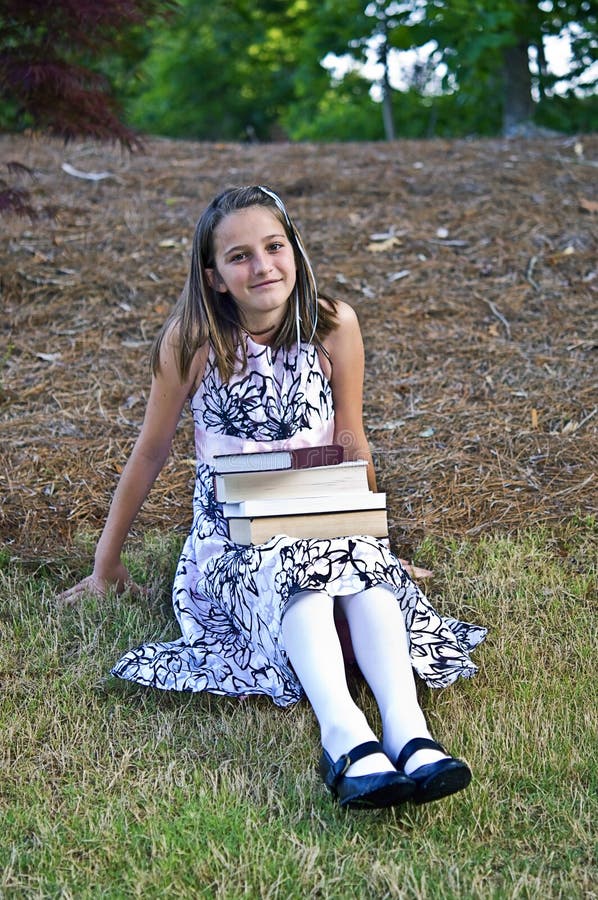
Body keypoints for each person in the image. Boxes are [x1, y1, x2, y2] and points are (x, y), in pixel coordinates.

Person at [59, 185, 486, 810]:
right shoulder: (194, 341)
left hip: (321, 507)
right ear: (214, 276)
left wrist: (377, 542)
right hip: (236, 526)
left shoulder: (333, 325)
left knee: (365, 579)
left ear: (295, 250)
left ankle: (411, 733)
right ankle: (344, 736)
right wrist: (106, 565)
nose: (262, 267)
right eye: (239, 256)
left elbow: (350, 437)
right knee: (302, 575)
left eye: (273, 246)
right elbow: (150, 452)